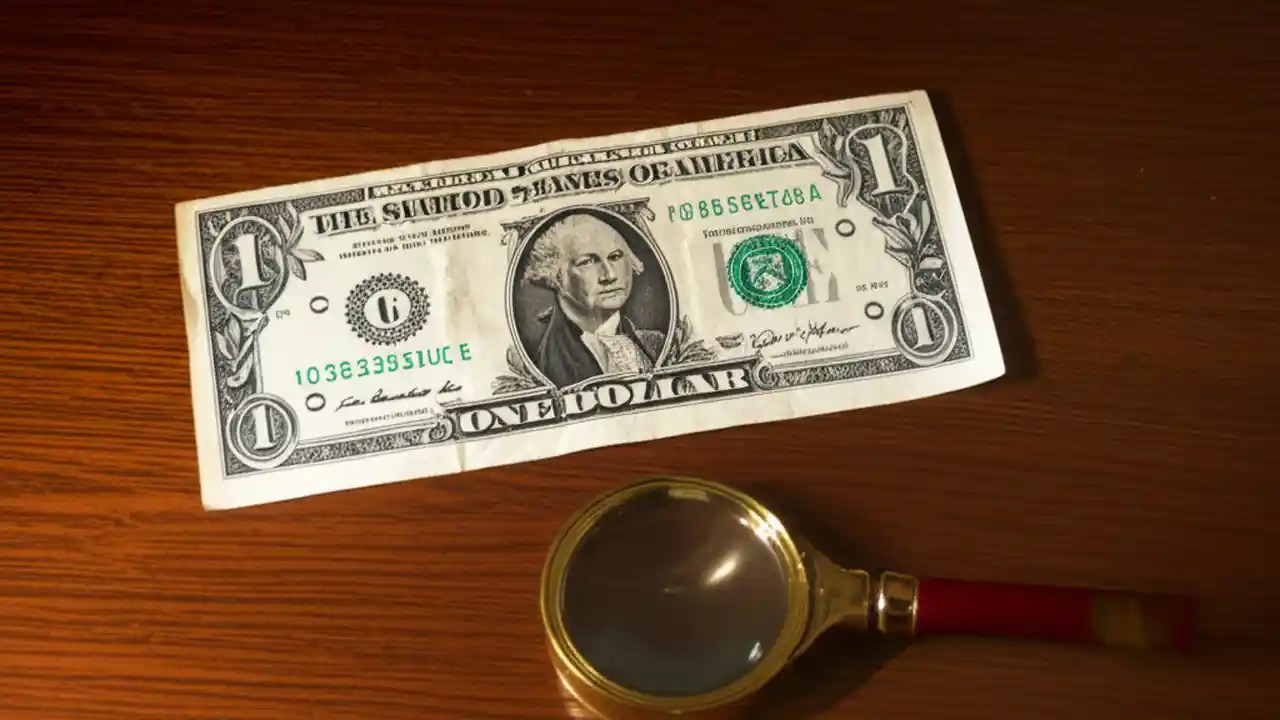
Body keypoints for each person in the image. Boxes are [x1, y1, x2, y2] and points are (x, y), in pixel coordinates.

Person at [521, 213, 666, 387]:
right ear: (553, 276)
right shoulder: (537, 366)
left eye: (615, 257)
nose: (610, 275)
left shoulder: (656, 345)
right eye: (588, 262)